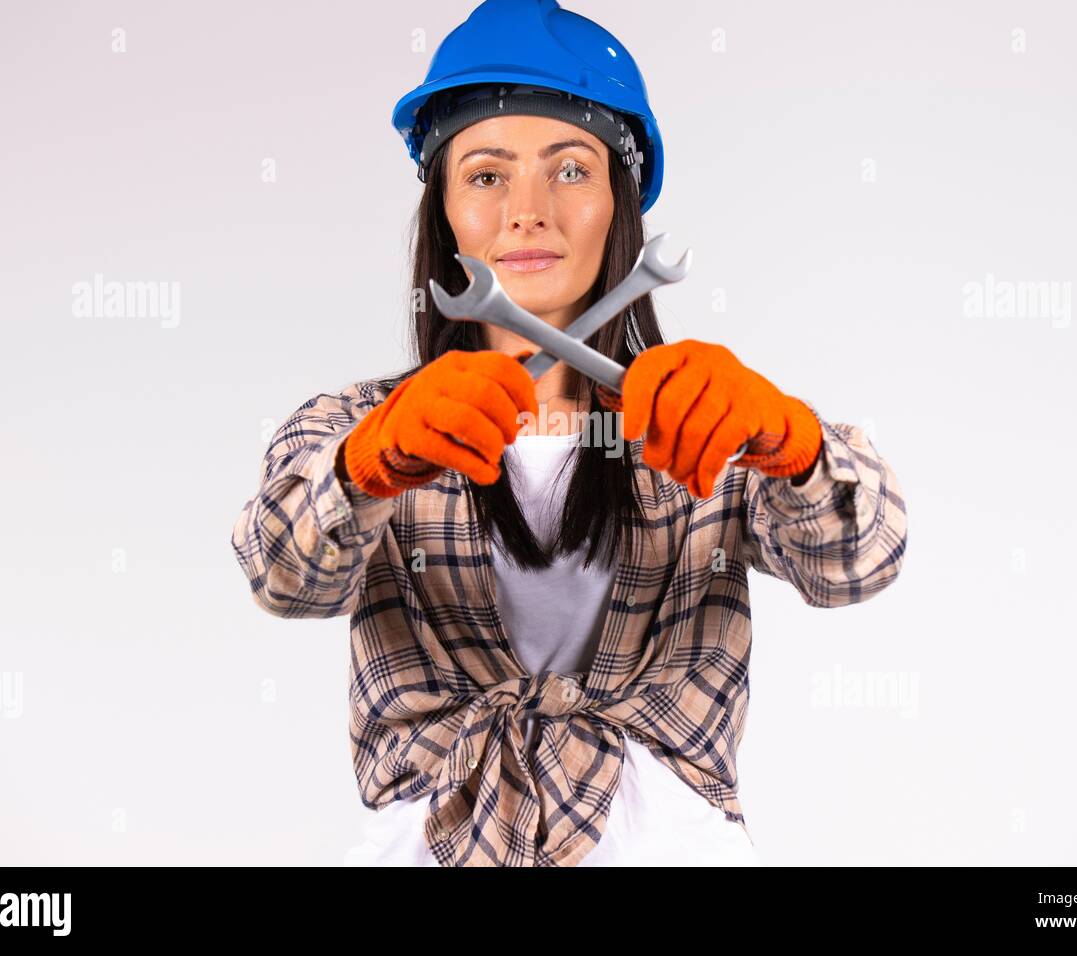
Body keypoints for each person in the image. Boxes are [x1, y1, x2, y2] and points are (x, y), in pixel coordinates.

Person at [231, 0, 908, 867]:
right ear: (441, 212)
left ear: (620, 204)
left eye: (571, 170)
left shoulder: (702, 421)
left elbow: (859, 564)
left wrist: (794, 442)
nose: (527, 211)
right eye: (484, 175)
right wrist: (370, 466)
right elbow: (280, 578)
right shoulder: (354, 426)